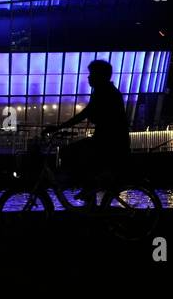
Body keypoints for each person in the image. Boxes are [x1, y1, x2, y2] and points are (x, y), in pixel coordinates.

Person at [48, 59, 131, 199]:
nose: (89, 77)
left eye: (91, 74)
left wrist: (59, 127)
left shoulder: (104, 92)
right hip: (112, 140)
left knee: (68, 151)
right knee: (83, 156)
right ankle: (89, 191)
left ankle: (86, 186)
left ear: (100, 76)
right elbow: (91, 114)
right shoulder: (104, 90)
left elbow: (86, 114)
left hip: (110, 141)